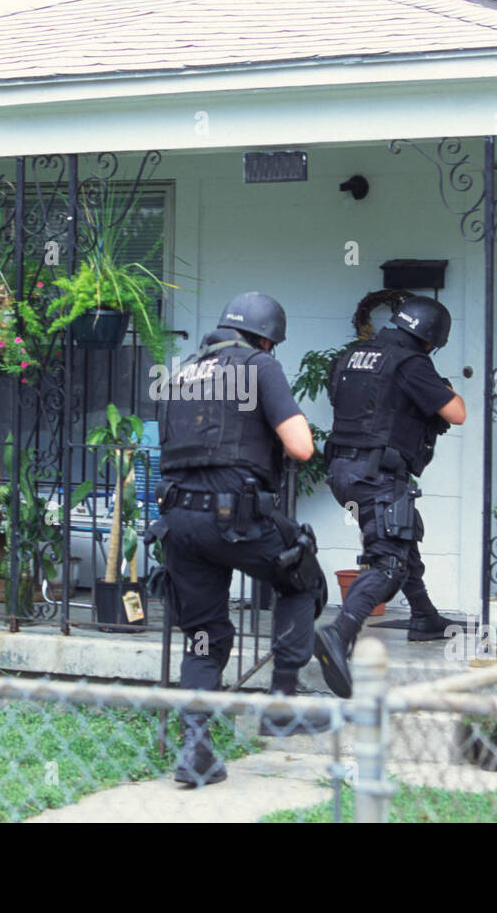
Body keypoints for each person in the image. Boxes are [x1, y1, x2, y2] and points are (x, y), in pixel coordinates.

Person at [154, 292, 330, 788]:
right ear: (266, 338)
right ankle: (281, 706)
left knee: (205, 632)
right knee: (301, 579)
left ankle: (195, 748)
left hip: (178, 523)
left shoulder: (180, 373)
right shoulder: (260, 367)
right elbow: (302, 447)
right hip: (235, 519)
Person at [313, 295, 466, 699]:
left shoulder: (353, 356)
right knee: (390, 562)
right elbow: (456, 412)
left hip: (344, 471)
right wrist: (446, 389)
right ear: (429, 338)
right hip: (376, 472)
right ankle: (339, 632)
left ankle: (425, 617)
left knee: (401, 539)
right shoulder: (410, 363)